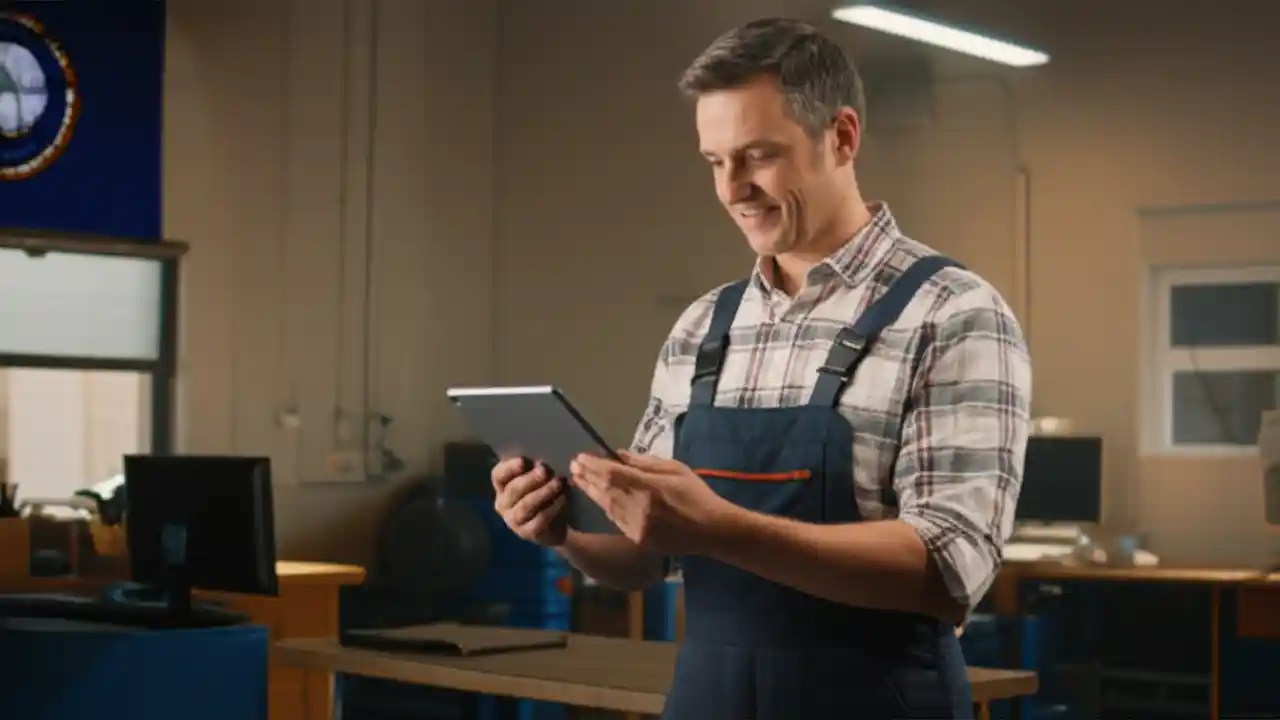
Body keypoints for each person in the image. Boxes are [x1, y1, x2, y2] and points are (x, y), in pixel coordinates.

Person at [490, 17, 1031, 720]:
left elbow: (951, 566)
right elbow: (645, 556)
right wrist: (562, 530)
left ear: (842, 137)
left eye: (758, 156)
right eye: (715, 162)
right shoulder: (702, 328)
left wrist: (718, 527)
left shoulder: (952, 314)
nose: (733, 188)